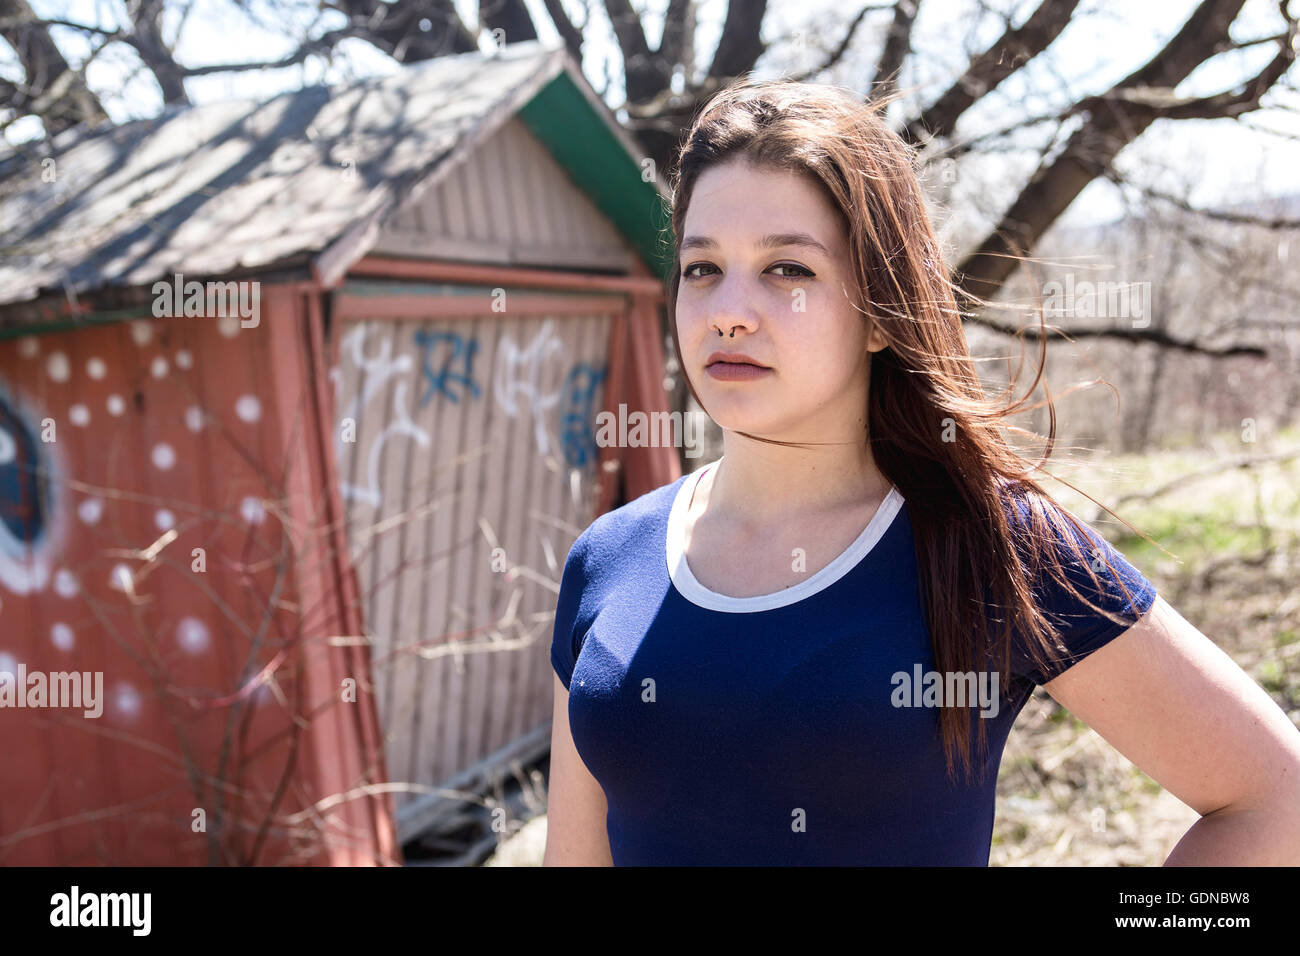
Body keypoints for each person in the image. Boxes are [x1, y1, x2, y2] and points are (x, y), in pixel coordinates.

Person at [542, 78, 1300, 866]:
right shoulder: (608, 560)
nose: (730, 309)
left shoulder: (991, 543)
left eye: (788, 271)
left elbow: (1275, 799)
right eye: (703, 268)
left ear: (879, 310)